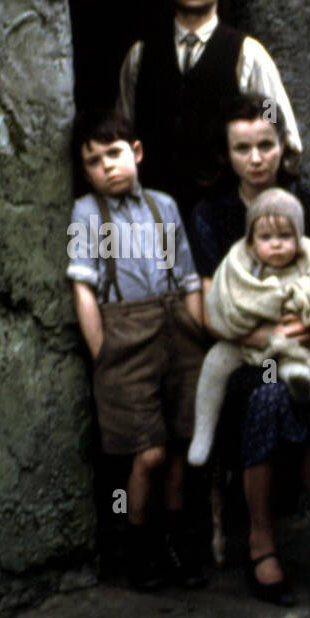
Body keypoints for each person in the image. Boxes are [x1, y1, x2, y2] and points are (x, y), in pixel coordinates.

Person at [187, 94, 310, 608]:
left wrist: (295, 335)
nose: (256, 158)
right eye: (243, 148)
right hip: (243, 351)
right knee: (265, 395)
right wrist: (261, 339)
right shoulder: (211, 213)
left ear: (283, 146)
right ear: (227, 153)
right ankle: (261, 541)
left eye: (265, 144)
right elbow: (213, 303)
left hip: (309, 344)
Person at [67, 109, 209, 591]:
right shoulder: (88, 213)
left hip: (176, 331)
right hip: (124, 338)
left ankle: (172, 539)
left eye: (114, 153)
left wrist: (195, 328)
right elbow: (83, 286)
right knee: (144, 452)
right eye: (93, 161)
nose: (106, 166)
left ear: (137, 152)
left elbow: (188, 277)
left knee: (176, 446)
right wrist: (102, 349)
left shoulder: (163, 206)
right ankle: (136, 542)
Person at [117, 0, 302, 222]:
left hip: (226, 211)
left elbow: (277, 121)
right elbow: (124, 130)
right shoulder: (141, 55)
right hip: (154, 212)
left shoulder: (247, 53)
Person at [189, 187, 310, 469]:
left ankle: (299, 381)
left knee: (296, 363)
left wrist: (304, 310)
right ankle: (203, 432)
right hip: (248, 341)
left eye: (285, 236)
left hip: (300, 342)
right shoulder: (240, 266)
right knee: (215, 361)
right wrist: (259, 311)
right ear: (251, 240)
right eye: (266, 238)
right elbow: (225, 302)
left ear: (299, 237)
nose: (277, 245)